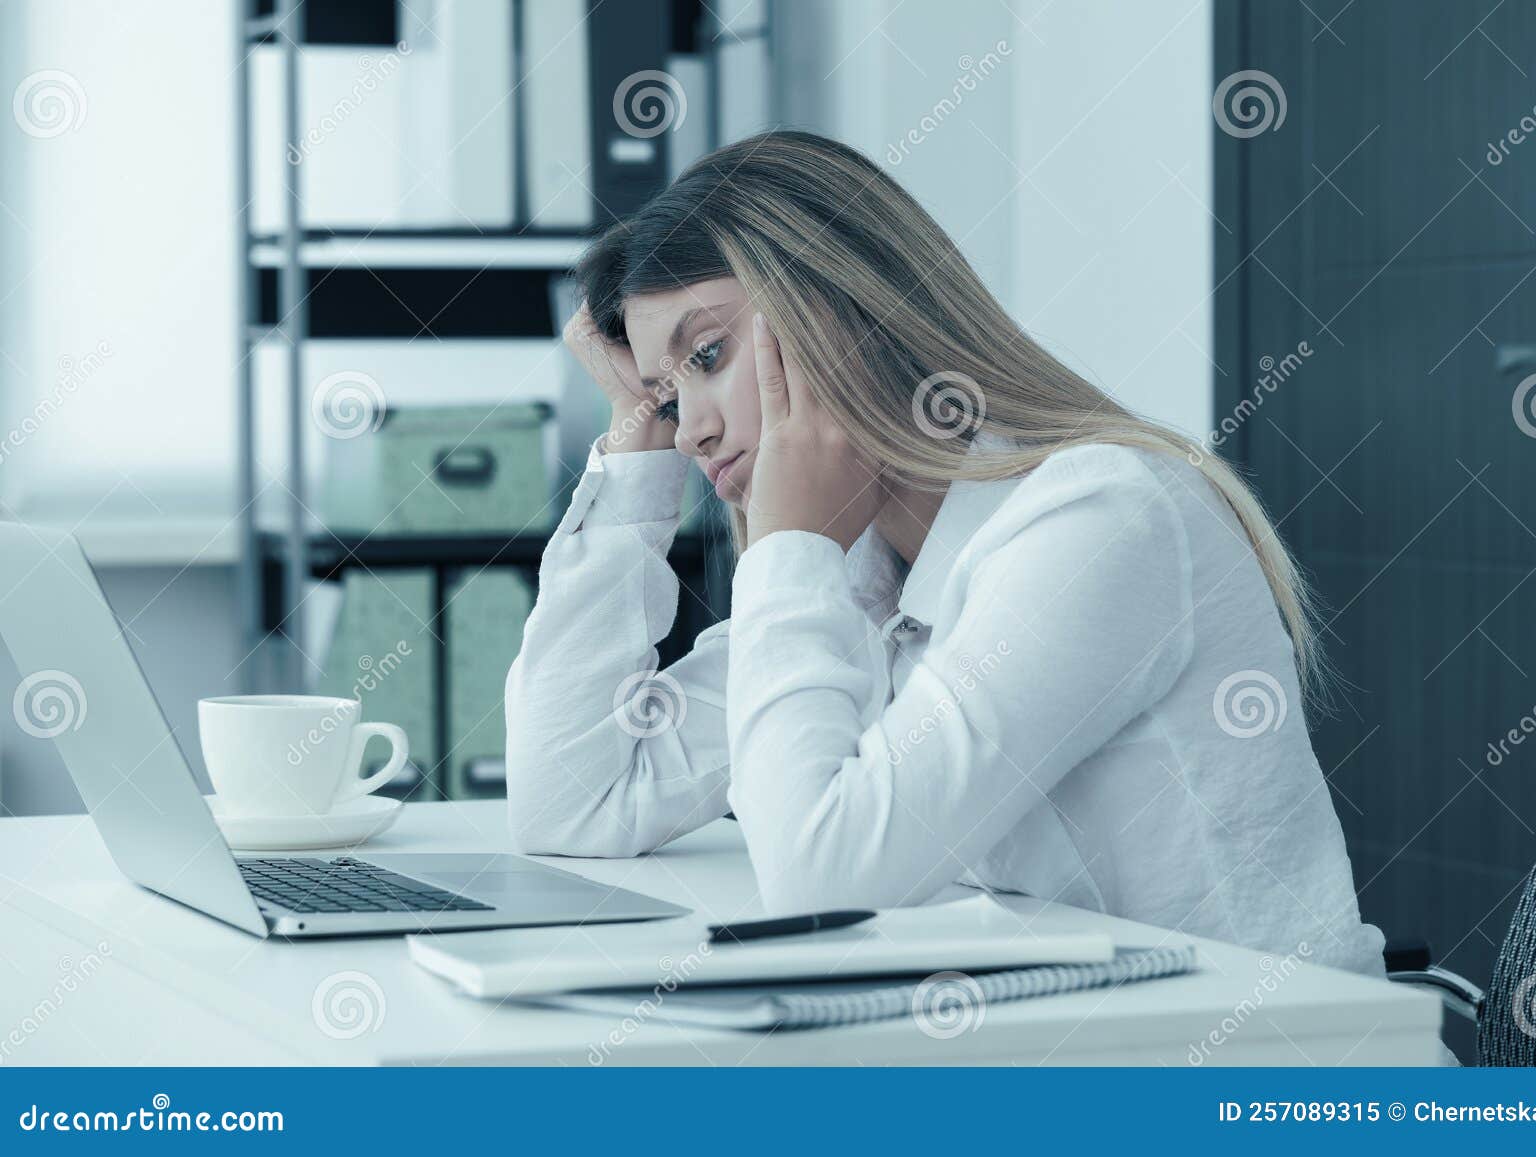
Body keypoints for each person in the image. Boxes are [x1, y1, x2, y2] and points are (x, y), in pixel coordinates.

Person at [504, 130, 1384, 976]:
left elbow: (819, 878)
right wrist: (633, 455)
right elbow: (572, 798)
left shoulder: (1099, 521)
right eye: (665, 396)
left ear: (839, 312)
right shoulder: (859, 569)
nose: (691, 428)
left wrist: (790, 544)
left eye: (706, 355)